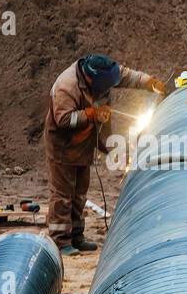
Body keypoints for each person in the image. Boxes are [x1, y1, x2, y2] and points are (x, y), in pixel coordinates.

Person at [44, 53, 167, 255]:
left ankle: (76, 235)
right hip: (63, 146)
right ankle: (60, 241)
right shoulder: (67, 86)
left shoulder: (104, 73)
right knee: (63, 194)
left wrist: (149, 83)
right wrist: (90, 114)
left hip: (84, 143)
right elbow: (63, 120)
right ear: (91, 79)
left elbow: (126, 76)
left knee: (80, 192)